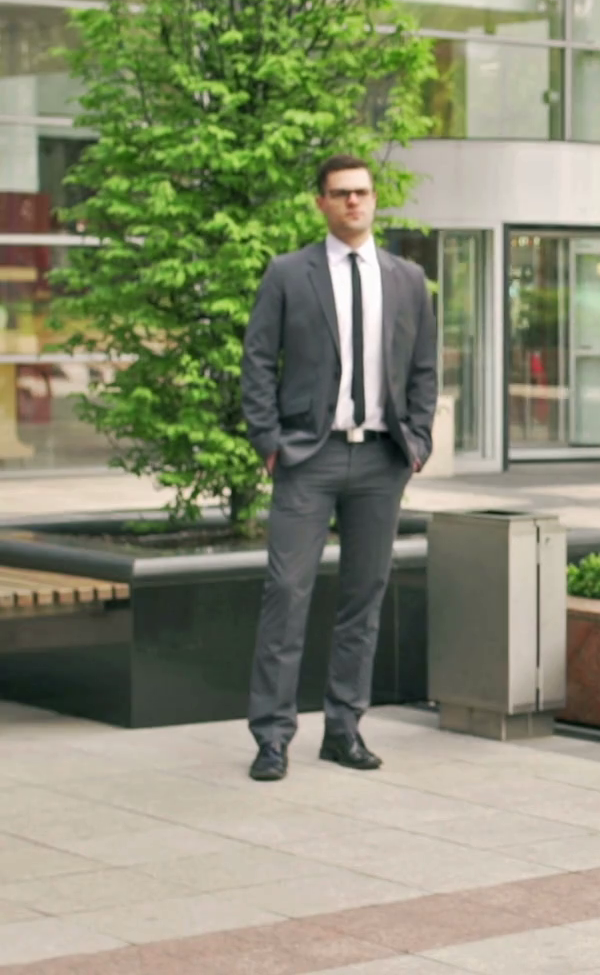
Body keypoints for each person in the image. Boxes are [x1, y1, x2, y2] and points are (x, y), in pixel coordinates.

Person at [241, 153, 439, 782]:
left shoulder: (408, 278)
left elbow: (425, 367)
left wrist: (420, 440)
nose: (354, 202)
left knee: (364, 598)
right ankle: (271, 737)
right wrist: (268, 439)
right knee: (286, 595)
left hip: (382, 458)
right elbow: (256, 362)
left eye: (362, 193)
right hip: (307, 456)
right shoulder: (286, 274)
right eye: (340, 194)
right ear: (321, 203)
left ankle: (343, 728)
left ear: (374, 200)